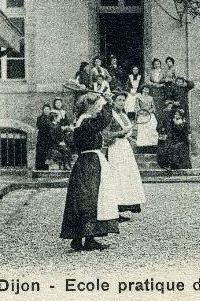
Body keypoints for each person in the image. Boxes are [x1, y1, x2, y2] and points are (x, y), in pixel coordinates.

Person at [59, 93, 119, 251]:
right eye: (98, 106)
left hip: (87, 161)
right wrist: (107, 103)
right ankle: (89, 238)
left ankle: (79, 238)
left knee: (82, 198)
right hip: (90, 163)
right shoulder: (86, 121)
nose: (99, 110)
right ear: (90, 106)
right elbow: (104, 120)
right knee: (91, 198)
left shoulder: (81, 121)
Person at [104, 90, 145, 220]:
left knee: (127, 176)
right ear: (114, 101)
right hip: (115, 148)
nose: (121, 103)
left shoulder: (124, 115)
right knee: (117, 176)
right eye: (119, 100)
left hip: (125, 149)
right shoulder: (110, 115)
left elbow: (127, 132)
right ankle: (115, 209)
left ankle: (125, 206)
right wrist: (121, 132)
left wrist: (128, 136)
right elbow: (106, 133)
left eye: (123, 100)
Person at [164, 104, 193, 170]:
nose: (175, 115)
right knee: (169, 147)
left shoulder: (182, 123)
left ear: (180, 116)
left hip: (183, 141)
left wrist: (177, 124)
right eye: (175, 114)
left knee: (176, 147)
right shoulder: (174, 122)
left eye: (177, 114)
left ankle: (178, 165)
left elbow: (183, 132)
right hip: (176, 140)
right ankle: (170, 165)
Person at [35, 103, 53, 170]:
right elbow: (39, 126)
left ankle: (46, 169)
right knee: (40, 153)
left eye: (48, 109)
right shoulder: (39, 118)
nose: (46, 110)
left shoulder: (51, 118)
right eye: (45, 109)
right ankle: (39, 168)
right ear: (43, 110)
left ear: (49, 110)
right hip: (41, 138)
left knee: (47, 154)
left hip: (48, 139)